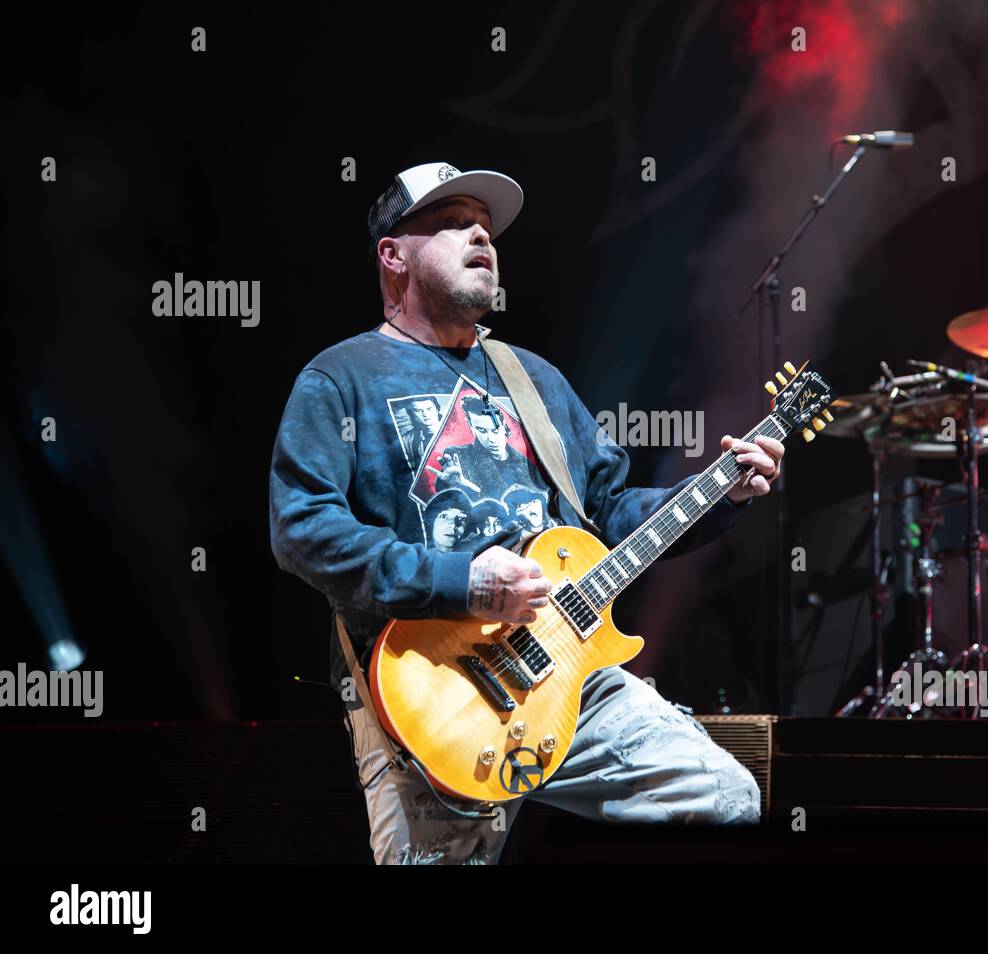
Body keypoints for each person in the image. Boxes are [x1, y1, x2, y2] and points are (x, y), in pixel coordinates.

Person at [269, 161, 784, 864]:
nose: (480, 233)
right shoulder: (340, 379)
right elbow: (303, 531)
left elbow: (607, 512)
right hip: (430, 690)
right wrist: (465, 583)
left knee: (725, 798)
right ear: (393, 255)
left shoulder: (533, 379)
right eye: (451, 223)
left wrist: (717, 494)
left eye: (484, 224)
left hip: (568, 674)